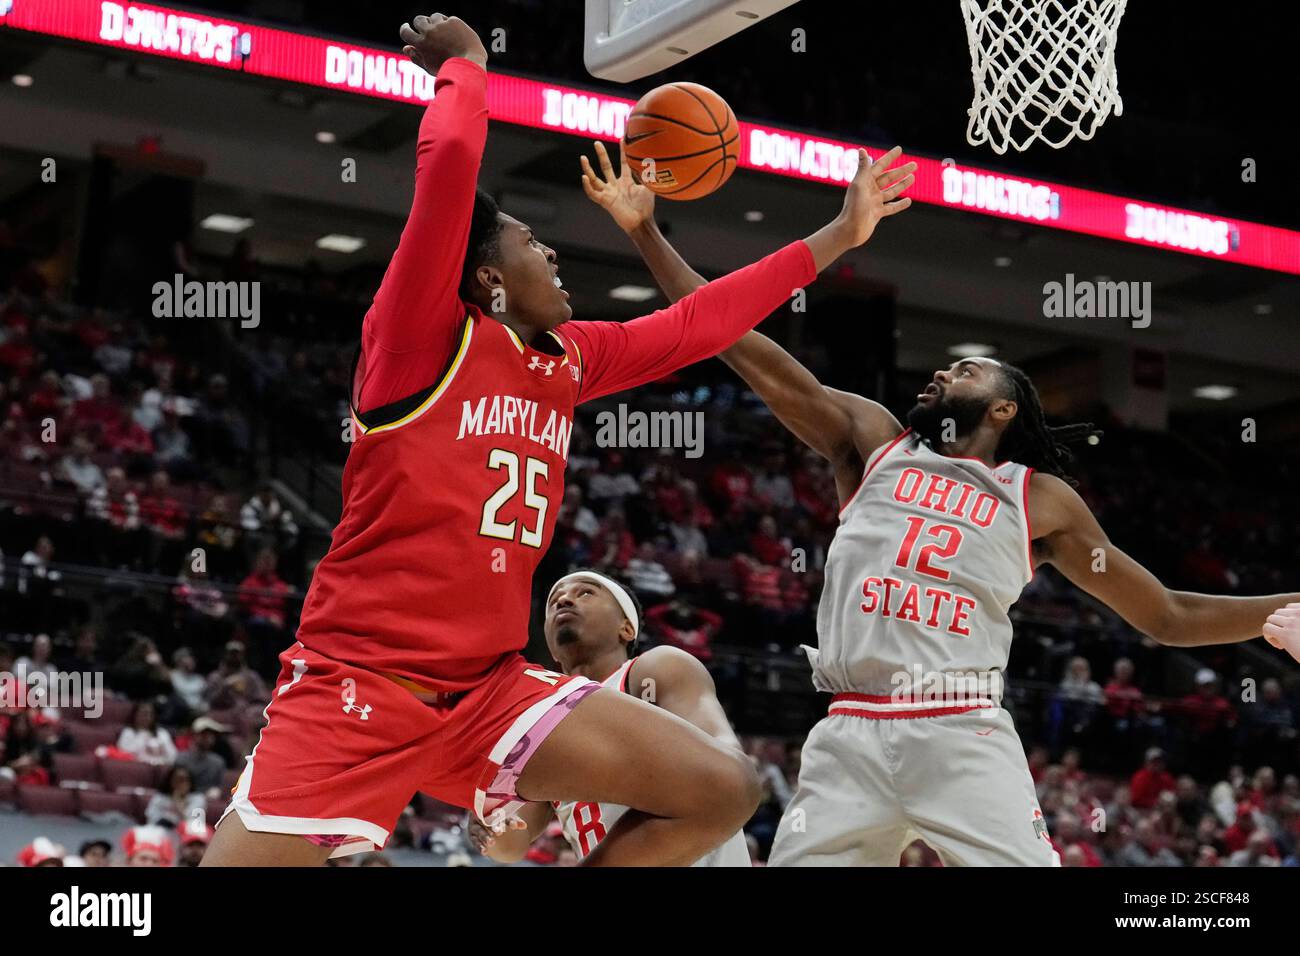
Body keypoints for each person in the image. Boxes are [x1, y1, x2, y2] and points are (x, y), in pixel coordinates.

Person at [203, 14, 913, 867]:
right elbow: (451, 175)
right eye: (532, 243)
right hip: (359, 686)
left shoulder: (568, 360)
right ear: (492, 278)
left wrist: (838, 234)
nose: (553, 252)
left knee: (725, 790)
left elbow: (700, 322)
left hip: (490, 691)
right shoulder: (420, 337)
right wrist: (466, 67)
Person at [579, 129, 1300, 866]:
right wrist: (645, 232)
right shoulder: (870, 442)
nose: (939, 376)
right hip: (848, 735)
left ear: (1004, 409)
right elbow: (733, 341)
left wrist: (1280, 616)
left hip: (961, 731)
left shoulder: (1038, 500)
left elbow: (1168, 616)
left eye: (963, 372)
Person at [468, 570, 749, 866]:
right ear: (551, 649)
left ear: (626, 628)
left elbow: (726, 763)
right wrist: (488, 822)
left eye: (586, 593)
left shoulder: (656, 668)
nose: (564, 599)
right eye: (554, 602)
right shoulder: (541, 721)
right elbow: (511, 846)